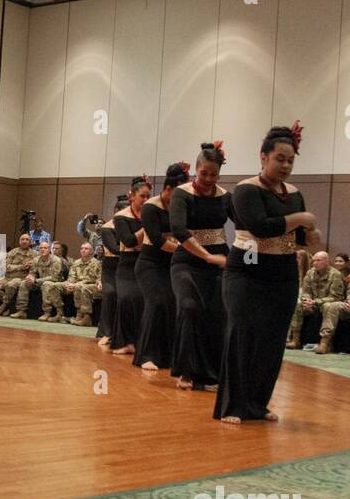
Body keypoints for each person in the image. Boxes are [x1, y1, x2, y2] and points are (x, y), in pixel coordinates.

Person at [214, 123, 321, 423]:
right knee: (242, 334)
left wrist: (311, 237)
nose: (286, 165)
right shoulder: (247, 190)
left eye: (291, 160)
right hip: (247, 268)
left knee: (272, 341)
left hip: (284, 272)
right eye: (280, 158)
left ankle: (257, 404)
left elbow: (299, 236)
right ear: (263, 157)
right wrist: (301, 218)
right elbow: (260, 226)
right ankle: (233, 406)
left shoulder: (295, 193)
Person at [169, 142, 230, 389]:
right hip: (187, 261)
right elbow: (179, 231)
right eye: (203, 173)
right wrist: (205, 256)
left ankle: (210, 374)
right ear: (196, 169)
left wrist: (250, 260)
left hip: (218, 263)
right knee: (189, 307)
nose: (207, 178)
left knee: (217, 315)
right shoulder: (181, 194)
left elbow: (249, 227)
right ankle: (186, 370)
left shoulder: (226, 197)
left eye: (213, 174)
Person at [134, 163, 187, 371]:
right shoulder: (150, 207)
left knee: (172, 305)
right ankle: (146, 355)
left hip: (170, 264)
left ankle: (166, 356)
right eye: (178, 193)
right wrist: (187, 250)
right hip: (149, 264)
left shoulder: (180, 206)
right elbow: (157, 240)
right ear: (167, 189)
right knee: (156, 303)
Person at [111, 178, 151, 355]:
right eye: (142, 196)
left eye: (148, 196)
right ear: (132, 197)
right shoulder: (121, 217)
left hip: (147, 261)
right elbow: (127, 240)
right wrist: (147, 228)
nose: (145, 199)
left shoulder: (151, 213)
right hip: (127, 264)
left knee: (145, 301)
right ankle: (125, 341)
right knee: (126, 298)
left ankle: (141, 342)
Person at [287, 250, 343, 349]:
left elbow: (335, 297)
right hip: (312, 303)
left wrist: (316, 301)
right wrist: (306, 300)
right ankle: (295, 339)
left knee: (328, 306)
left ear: (326, 261)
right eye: (313, 261)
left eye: (318, 260)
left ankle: (325, 342)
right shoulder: (310, 273)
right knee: (298, 304)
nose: (314, 263)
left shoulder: (335, 274)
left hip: (326, 303)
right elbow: (306, 291)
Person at [45, 241, 102, 325]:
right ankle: (59, 313)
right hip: (75, 284)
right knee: (54, 286)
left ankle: (83, 317)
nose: (83, 250)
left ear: (92, 251)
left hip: (90, 286)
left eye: (86, 249)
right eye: (82, 248)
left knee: (80, 287)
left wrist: (75, 284)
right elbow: (72, 276)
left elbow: (96, 279)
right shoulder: (76, 262)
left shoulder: (97, 263)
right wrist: (70, 284)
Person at [95, 200, 125, 345]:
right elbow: (113, 248)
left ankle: (123, 335)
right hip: (110, 267)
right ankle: (106, 333)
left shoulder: (130, 225)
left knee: (125, 297)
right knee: (110, 294)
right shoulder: (107, 228)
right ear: (115, 210)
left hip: (126, 266)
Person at [12, 239, 62, 319]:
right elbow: (33, 272)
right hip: (39, 282)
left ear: (49, 250)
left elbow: (54, 277)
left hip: (53, 283)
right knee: (24, 283)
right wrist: (30, 277)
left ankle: (47, 312)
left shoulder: (56, 260)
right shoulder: (36, 260)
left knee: (46, 284)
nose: (43, 249)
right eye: (41, 248)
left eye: (45, 248)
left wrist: (35, 280)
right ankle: (21, 311)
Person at [0, 233, 35, 315]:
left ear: (30, 242)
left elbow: (35, 269)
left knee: (10, 285)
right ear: (19, 241)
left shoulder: (34, 254)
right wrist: (21, 266)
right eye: (22, 239)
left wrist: (30, 266)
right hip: (8, 277)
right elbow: (6, 267)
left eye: (27, 240)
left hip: (21, 278)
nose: (24, 241)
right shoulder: (13, 252)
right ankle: (10, 304)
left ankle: (4, 305)